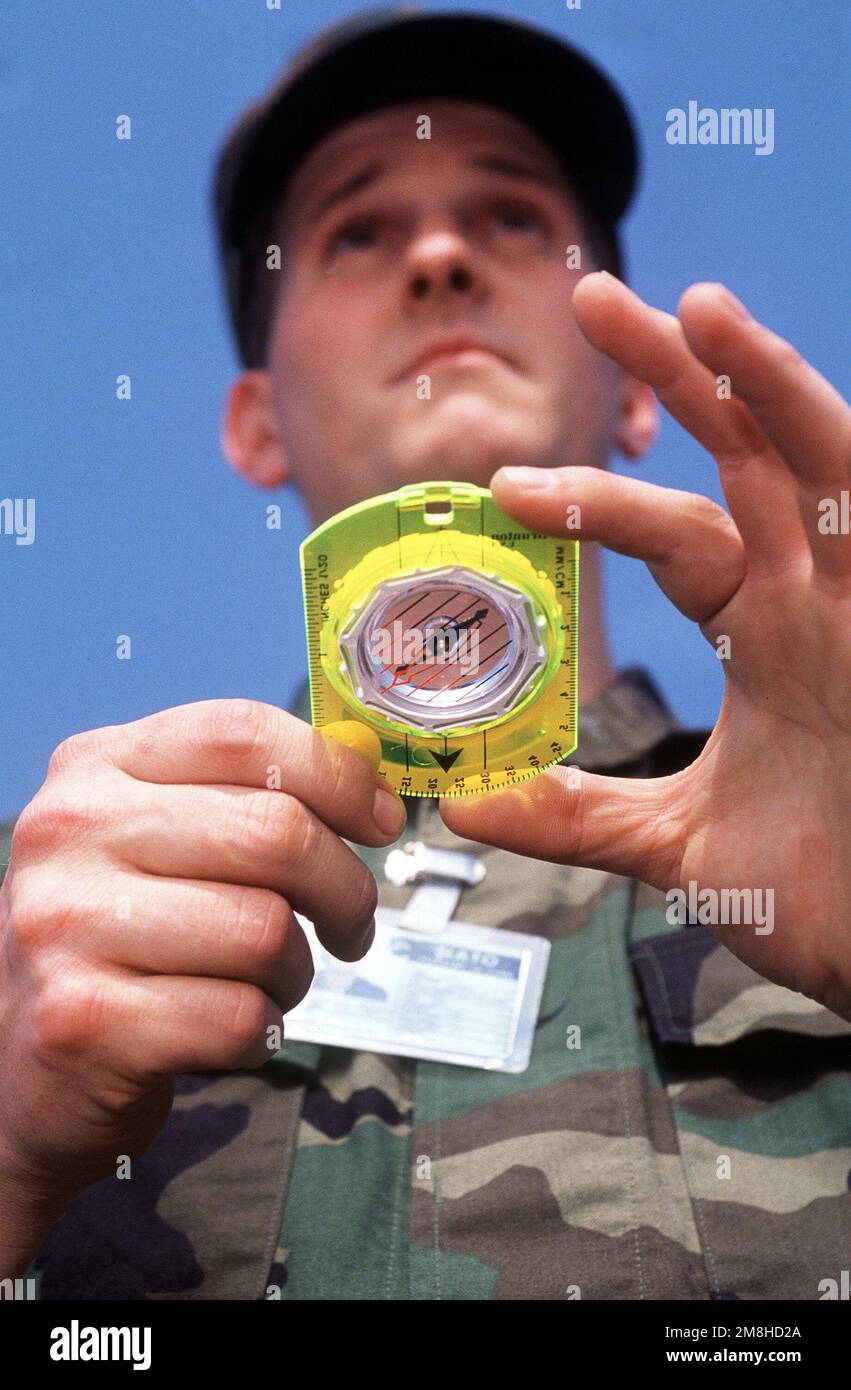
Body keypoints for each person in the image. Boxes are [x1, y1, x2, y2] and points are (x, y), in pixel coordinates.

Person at [0, 8, 848, 1301]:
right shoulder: (46, 934)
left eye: (512, 215)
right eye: (354, 230)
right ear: (254, 424)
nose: (442, 253)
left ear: (632, 393)